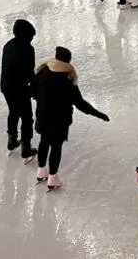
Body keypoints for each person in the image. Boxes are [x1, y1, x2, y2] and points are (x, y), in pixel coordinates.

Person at [33, 47, 110, 190]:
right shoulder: (67, 80)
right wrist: (99, 114)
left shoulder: (42, 72)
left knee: (44, 141)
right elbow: (80, 104)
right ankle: (52, 178)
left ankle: (41, 171)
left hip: (43, 115)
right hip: (59, 120)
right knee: (56, 147)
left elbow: (33, 91)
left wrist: (41, 101)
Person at [0, 19, 38, 160]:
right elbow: (29, 73)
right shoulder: (28, 49)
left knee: (14, 112)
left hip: (5, 87)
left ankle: (11, 141)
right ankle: (26, 149)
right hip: (19, 88)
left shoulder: (8, 45)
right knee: (27, 117)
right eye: (31, 37)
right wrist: (35, 89)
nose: (32, 40)